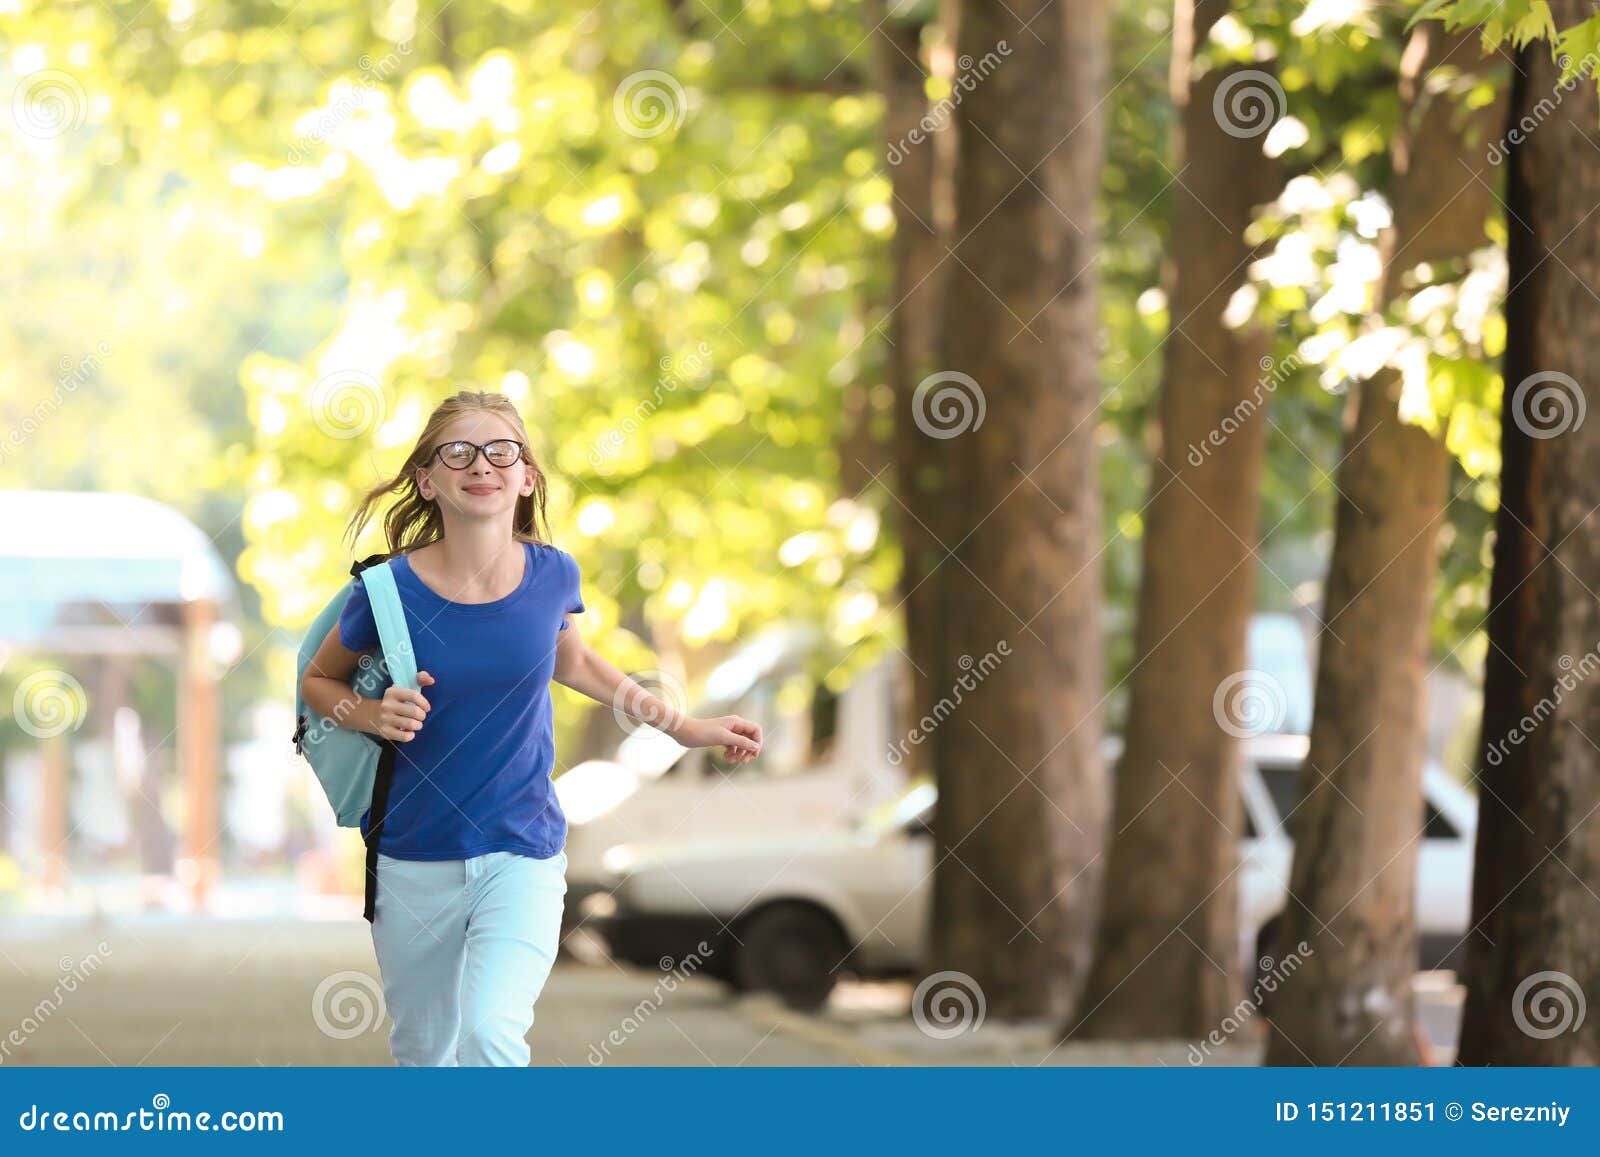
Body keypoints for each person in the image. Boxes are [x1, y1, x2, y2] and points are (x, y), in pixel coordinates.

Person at [299, 389, 762, 1066]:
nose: (481, 464)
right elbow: (317, 681)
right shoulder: (386, 590)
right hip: (413, 854)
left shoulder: (552, 575)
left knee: (490, 1034)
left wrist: (686, 726)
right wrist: (375, 713)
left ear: (527, 476)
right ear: (427, 479)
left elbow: (580, 664)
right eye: (457, 452)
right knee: (426, 1053)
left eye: (501, 450)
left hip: (524, 847)